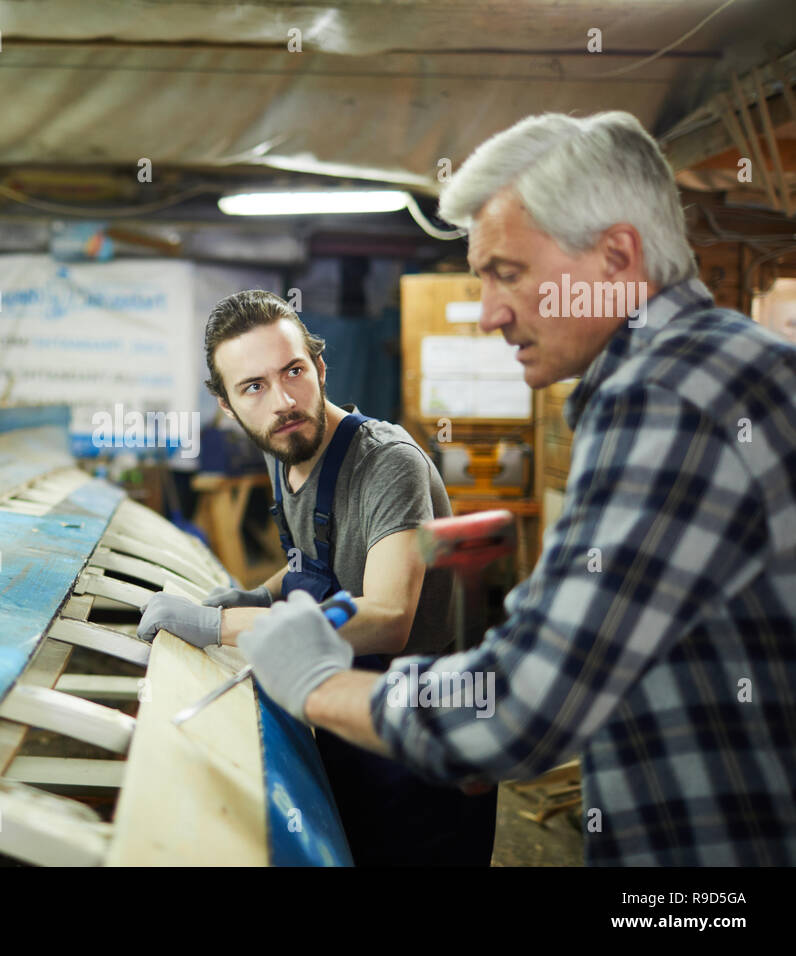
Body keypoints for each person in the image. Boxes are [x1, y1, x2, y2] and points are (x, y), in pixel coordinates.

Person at [238, 111, 796, 865]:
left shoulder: (668, 396)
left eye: (508, 273)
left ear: (616, 255)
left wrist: (314, 684)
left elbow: (521, 706)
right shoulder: (723, 366)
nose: (491, 313)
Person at [136, 290, 497, 865]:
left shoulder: (386, 463)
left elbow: (386, 620)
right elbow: (315, 563)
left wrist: (222, 623)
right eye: (253, 386)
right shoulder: (282, 445)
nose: (282, 400)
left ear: (320, 367)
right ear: (227, 406)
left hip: (418, 728)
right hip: (343, 710)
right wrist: (263, 592)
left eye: (294, 371)